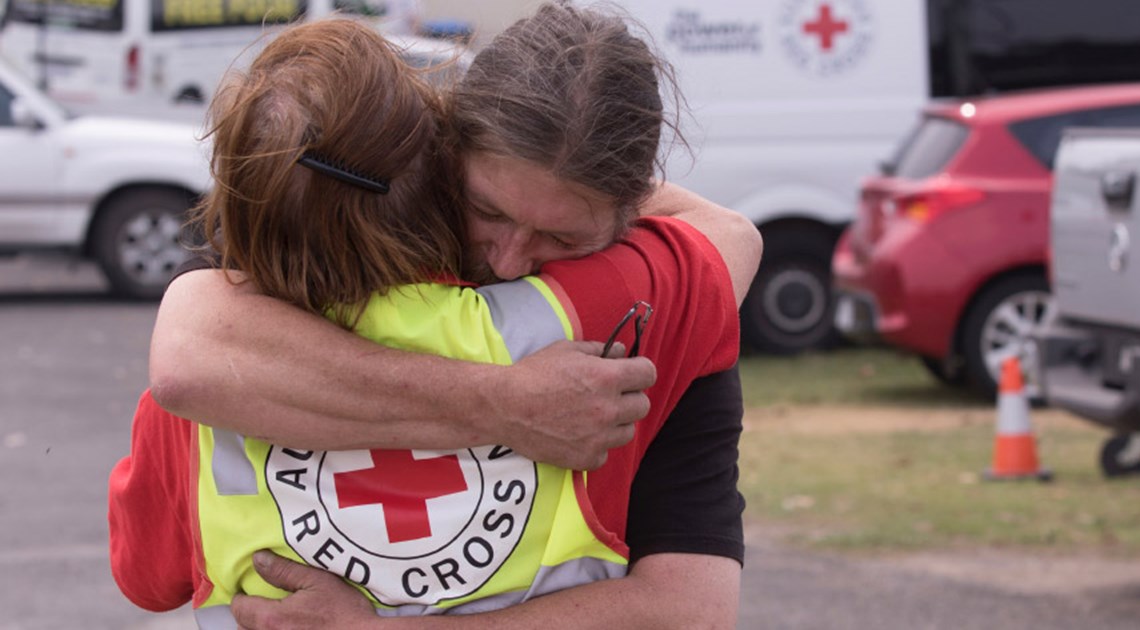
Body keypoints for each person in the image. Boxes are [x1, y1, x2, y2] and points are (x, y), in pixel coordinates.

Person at [134, 3, 760, 628]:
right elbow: (187, 354)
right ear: (444, 150)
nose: (513, 262)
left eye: (562, 239)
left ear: (633, 215)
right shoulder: (326, 249)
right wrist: (506, 404)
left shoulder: (651, 321)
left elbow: (690, 610)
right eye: (486, 210)